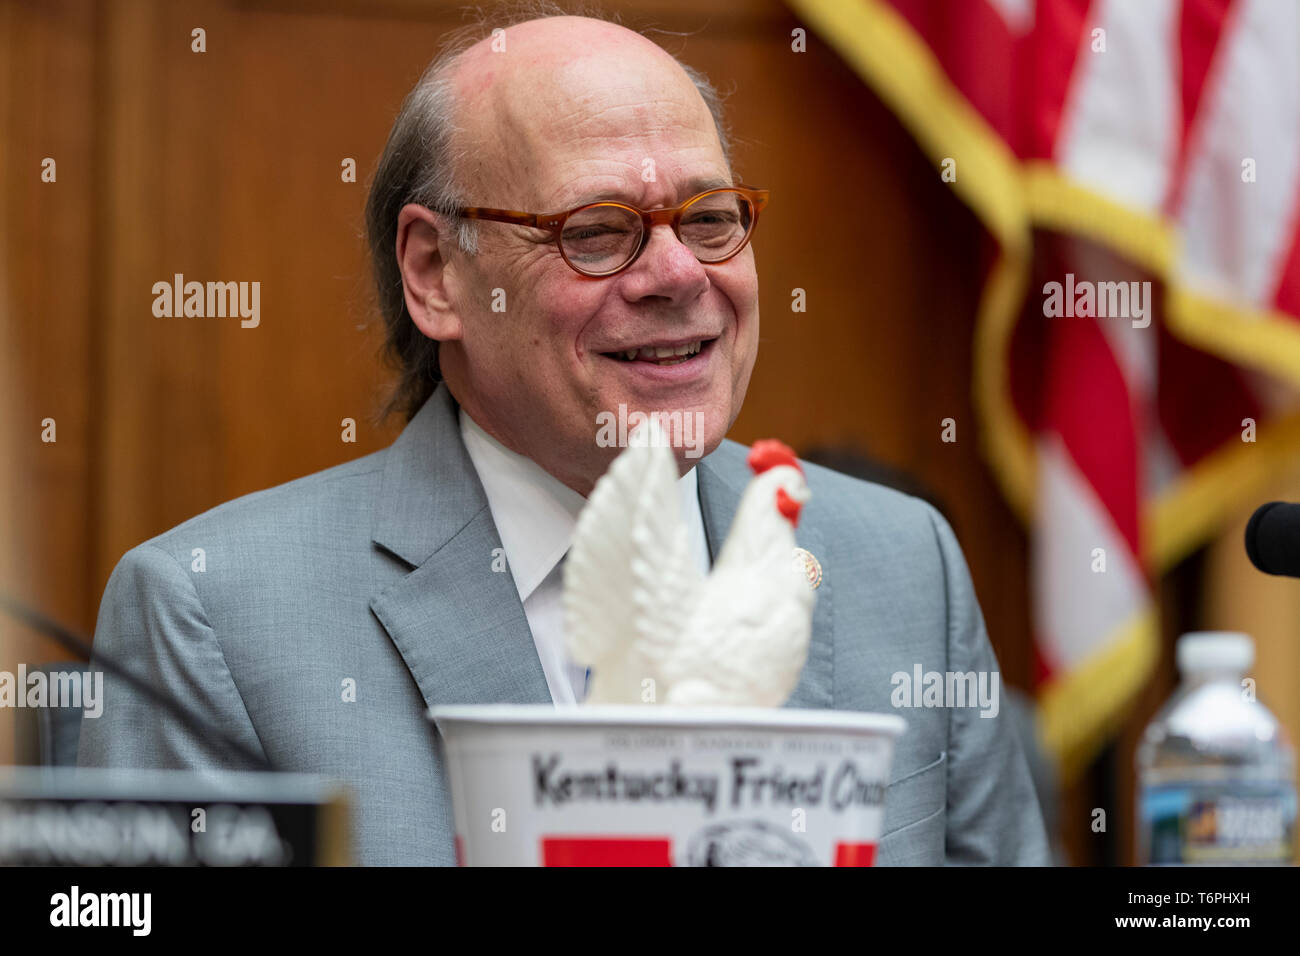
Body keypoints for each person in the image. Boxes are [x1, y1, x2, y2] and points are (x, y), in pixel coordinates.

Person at [78, 9, 1050, 866]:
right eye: (597, 229)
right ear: (435, 273)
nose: (676, 272)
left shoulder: (901, 565)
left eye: (709, 218)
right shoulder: (215, 618)